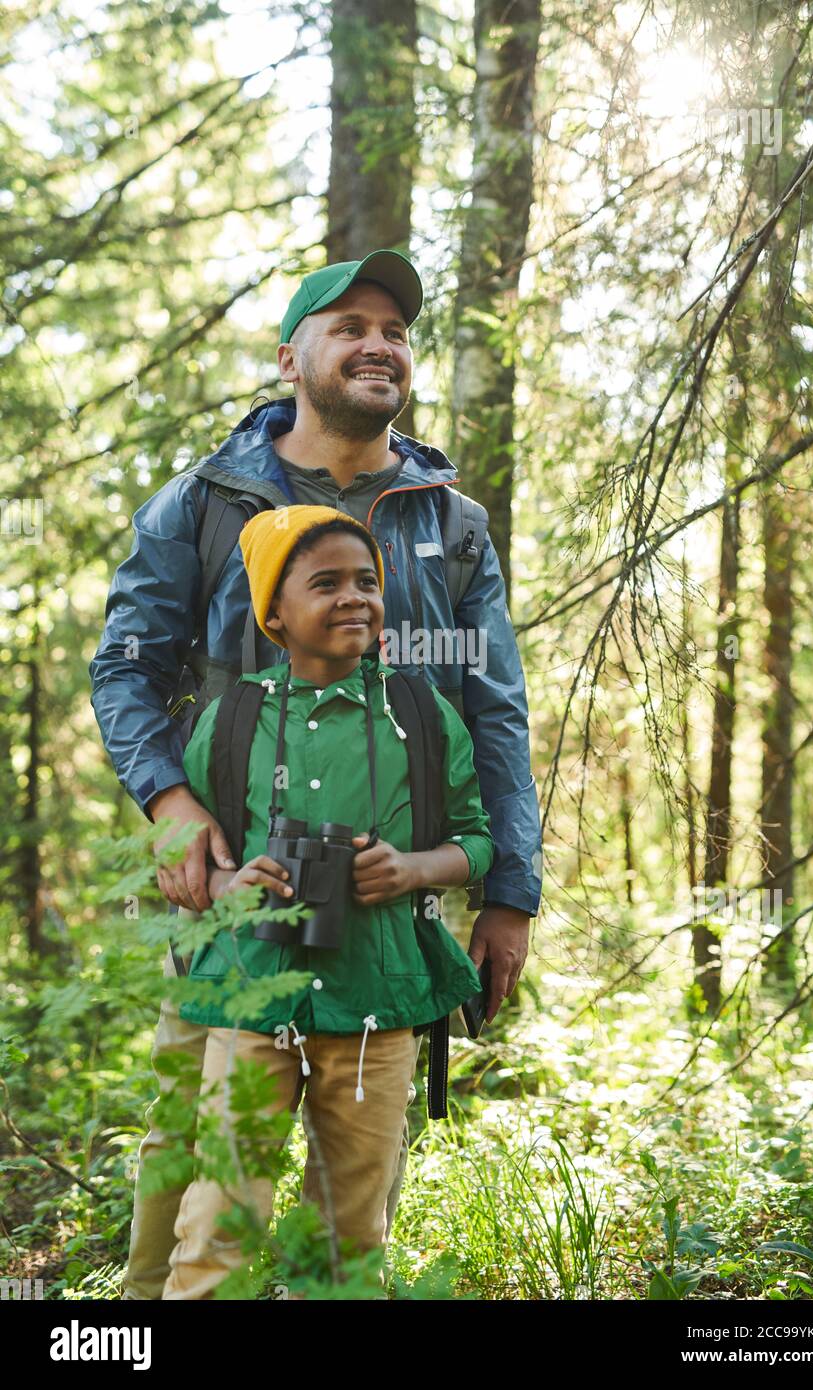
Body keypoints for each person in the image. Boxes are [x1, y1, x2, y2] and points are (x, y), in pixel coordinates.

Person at [88, 248, 542, 1299]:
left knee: (353, 1195)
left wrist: (508, 888)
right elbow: (125, 666)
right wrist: (169, 801)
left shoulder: (449, 522)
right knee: (194, 1165)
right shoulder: (205, 503)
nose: (378, 345)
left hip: (382, 910)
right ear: (291, 357)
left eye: (394, 330)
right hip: (230, 897)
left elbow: (494, 709)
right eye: (349, 327)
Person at [160, 503, 494, 1298]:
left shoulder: (422, 716)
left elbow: (477, 842)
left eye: (367, 582)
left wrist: (411, 869)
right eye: (327, 583)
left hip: (376, 1001)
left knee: (348, 1236)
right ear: (274, 613)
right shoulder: (231, 719)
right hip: (251, 995)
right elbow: (191, 863)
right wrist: (232, 884)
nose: (355, 597)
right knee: (216, 1223)